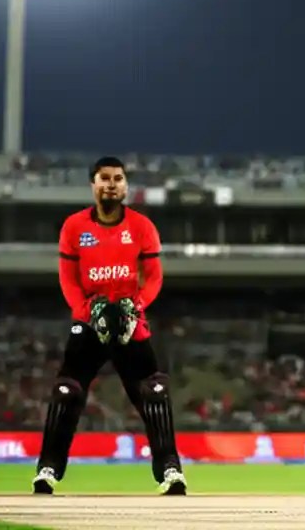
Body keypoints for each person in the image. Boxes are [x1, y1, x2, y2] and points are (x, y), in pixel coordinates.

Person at [32, 156, 187, 496]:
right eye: (105, 178)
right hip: (89, 322)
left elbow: (154, 278)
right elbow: (68, 281)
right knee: (66, 391)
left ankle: (170, 471)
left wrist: (137, 306)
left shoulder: (142, 226)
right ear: (94, 184)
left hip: (130, 322)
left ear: (126, 186)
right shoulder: (74, 227)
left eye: (118, 178)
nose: (112, 184)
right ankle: (48, 469)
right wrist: (88, 311)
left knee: (154, 392)